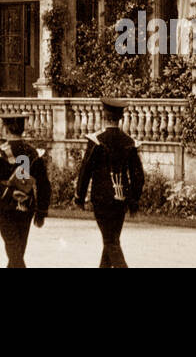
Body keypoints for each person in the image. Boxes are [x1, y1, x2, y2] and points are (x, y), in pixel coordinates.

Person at [74, 97, 145, 268]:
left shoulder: (97, 141)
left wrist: (79, 196)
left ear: (103, 115)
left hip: (102, 198)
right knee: (111, 240)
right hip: (121, 199)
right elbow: (138, 176)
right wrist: (134, 200)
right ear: (120, 118)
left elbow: (85, 170)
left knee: (111, 242)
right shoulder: (129, 142)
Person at [0, 114, 51, 268]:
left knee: (14, 252)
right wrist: (41, 211)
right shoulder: (33, 153)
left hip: (6, 206)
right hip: (26, 207)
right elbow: (44, 185)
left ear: (5, 129)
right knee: (17, 251)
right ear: (22, 129)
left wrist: (8, 192)